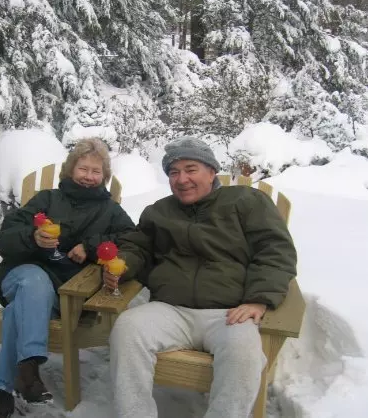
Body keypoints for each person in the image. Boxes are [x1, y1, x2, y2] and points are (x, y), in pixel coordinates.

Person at [104, 136, 297, 418]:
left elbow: (275, 250)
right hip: (170, 309)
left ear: (211, 171)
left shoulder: (247, 202)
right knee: (128, 328)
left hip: (230, 312)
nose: (182, 179)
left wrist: (259, 300)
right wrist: (122, 266)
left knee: (244, 351)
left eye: (191, 169)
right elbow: (137, 247)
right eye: (173, 172)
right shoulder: (159, 212)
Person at [0, 137, 135, 418]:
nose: (89, 177)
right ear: (70, 170)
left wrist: (91, 246)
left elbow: (132, 237)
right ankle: (28, 369)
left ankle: (5, 390)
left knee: (19, 310)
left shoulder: (110, 210)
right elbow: (6, 238)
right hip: (22, 274)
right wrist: (33, 238)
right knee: (33, 281)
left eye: (96, 171)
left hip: (63, 291)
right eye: (83, 169)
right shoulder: (46, 199)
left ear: (105, 176)